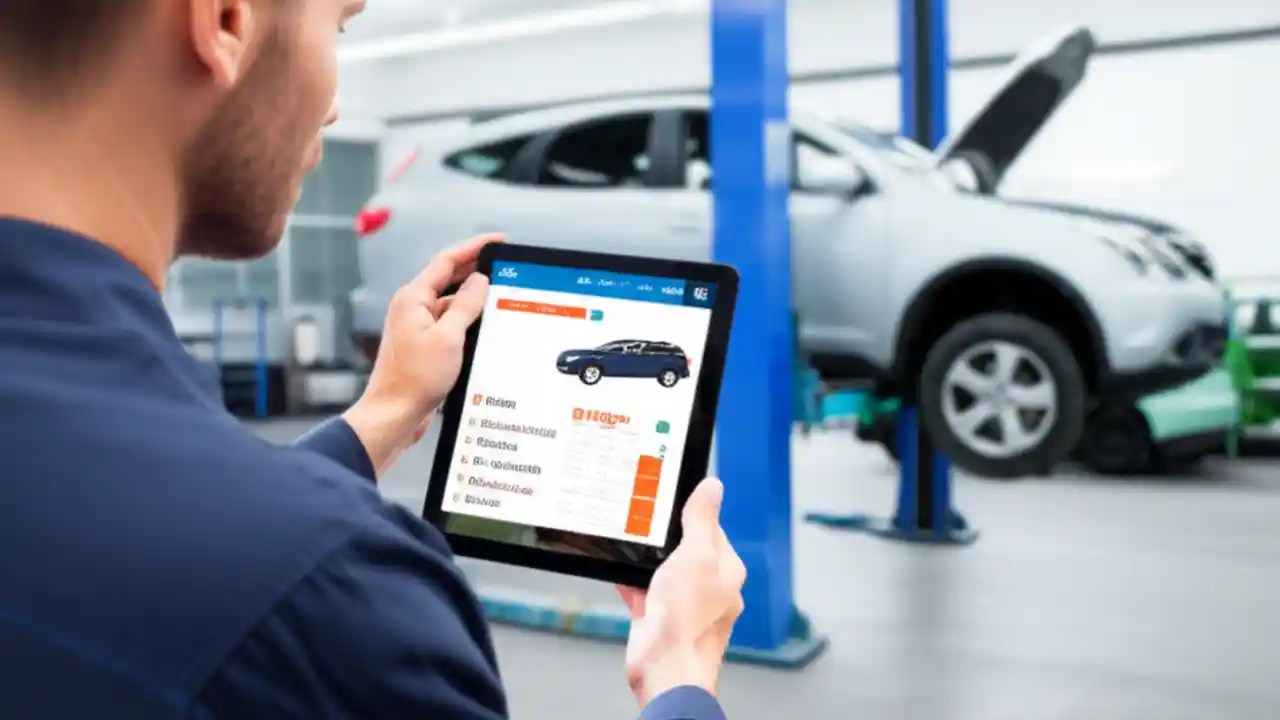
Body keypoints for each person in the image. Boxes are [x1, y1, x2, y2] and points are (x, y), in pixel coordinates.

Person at [0, 1, 747, 718]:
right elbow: (255, 558)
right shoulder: (332, 605)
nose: (331, 107)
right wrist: (680, 678)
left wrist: (381, 415)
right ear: (225, 19)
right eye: (340, 24)